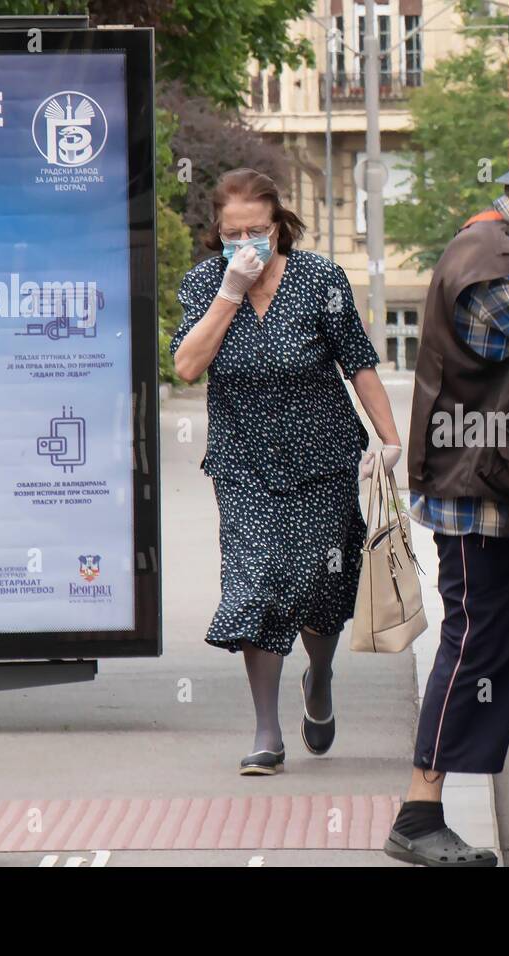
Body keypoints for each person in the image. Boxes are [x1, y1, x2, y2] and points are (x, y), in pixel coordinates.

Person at [384, 132, 509, 866]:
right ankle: (417, 812)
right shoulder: (494, 268)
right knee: (472, 649)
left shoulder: (505, 250)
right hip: (484, 498)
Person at [171, 168, 402, 775]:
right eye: (232, 231)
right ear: (216, 233)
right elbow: (188, 366)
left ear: (278, 226)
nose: (244, 240)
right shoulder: (203, 286)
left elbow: (359, 362)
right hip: (244, 463)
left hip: (323, 458)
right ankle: (266, 731)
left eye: (256, 230)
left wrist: (390, 437)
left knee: (322, 589)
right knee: (256, 583)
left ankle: (319, 677)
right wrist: (230, 291)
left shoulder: (318, 279)